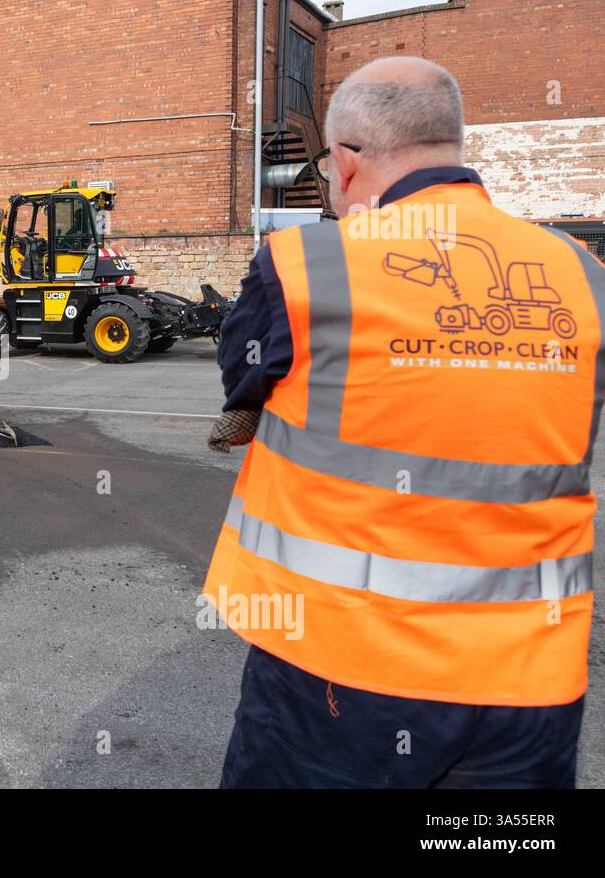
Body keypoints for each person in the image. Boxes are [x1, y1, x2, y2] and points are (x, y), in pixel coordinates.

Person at [206, 56, 604, 788]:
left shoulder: (307, 264)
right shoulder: (580, 272)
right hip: (532, 687)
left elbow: (243, 392)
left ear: (348, 163)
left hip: (340, 678)